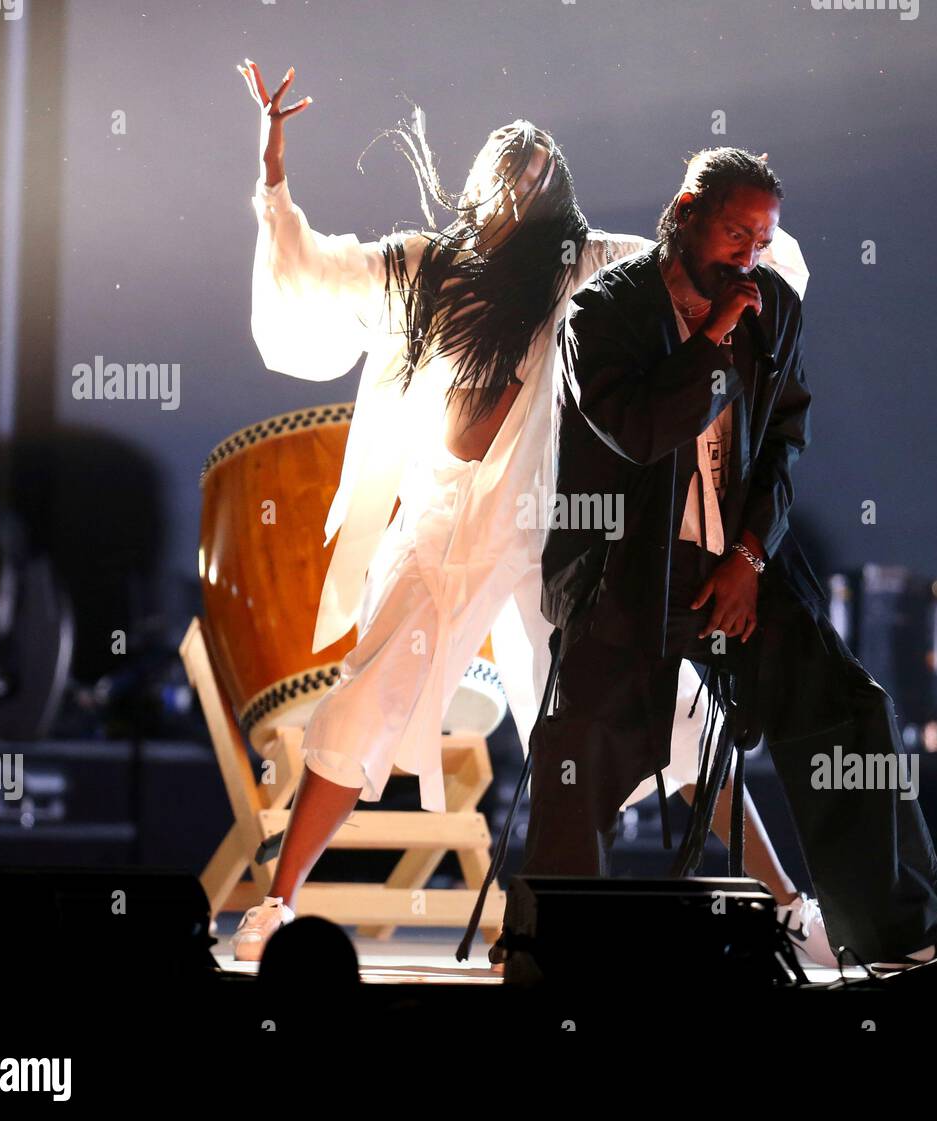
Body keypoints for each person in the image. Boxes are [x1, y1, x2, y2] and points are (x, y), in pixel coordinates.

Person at [232, 59, 832, 967]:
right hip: (443, 533)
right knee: (364, 703)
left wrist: (748, 243)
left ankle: (787, 901)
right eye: (513, 175)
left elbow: (713, 261)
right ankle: (277, 903)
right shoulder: (425, 268)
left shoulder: (590, 267)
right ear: (484, 189)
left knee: (670, 710)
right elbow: (314, 272)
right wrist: (273, 179)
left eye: (543, 176)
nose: (527, 184)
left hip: (559, 539)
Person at [475, 147, 937, 970]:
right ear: (688, 210)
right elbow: (640, 431)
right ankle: (556, 950)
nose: (748, 257)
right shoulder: (604, 314)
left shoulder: (774, 307)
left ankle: (900, 937)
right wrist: (713, 339)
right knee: (581, 742)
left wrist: (747, 558)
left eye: (761, 242)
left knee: (849, 708)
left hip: (736, 566)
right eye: (737, 234)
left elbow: (784, 442)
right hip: (627, 568)